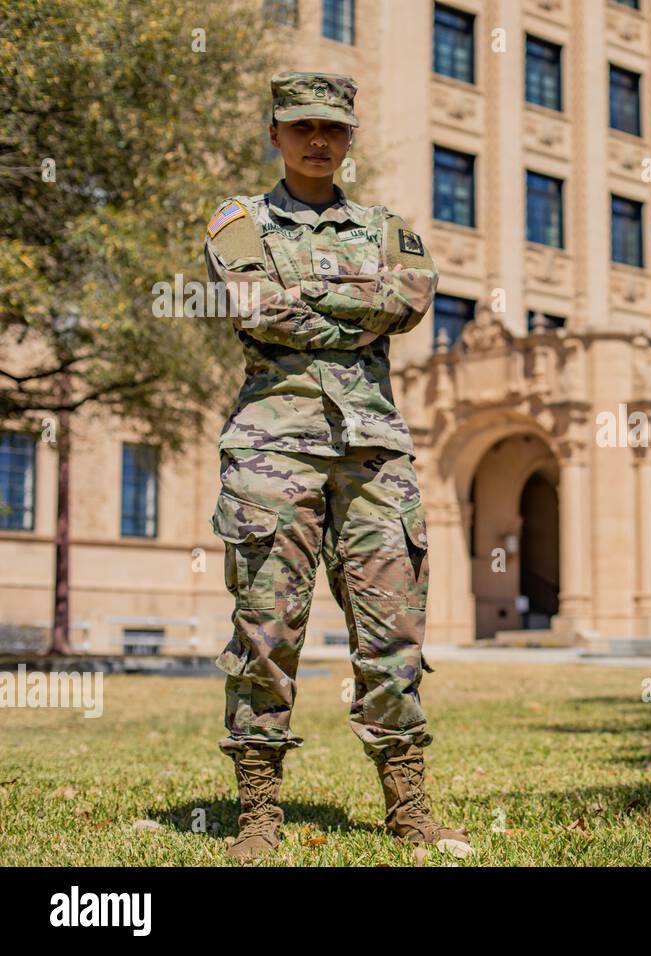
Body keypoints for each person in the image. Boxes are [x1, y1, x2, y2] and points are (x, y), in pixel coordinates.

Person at [202, 71, 471, 861]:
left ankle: (410, 811)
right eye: (301, 127)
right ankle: (257, 817)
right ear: (276, 134)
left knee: (393, 635)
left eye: (333, 128)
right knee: (265, 632)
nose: (317, 141)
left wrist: (305, 299)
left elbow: (410, 302)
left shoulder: (391, 229)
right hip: (270, 449)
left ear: (350, 138)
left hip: (373, 450)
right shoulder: (236, 221)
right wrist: (354, 305)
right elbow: (254, 304)